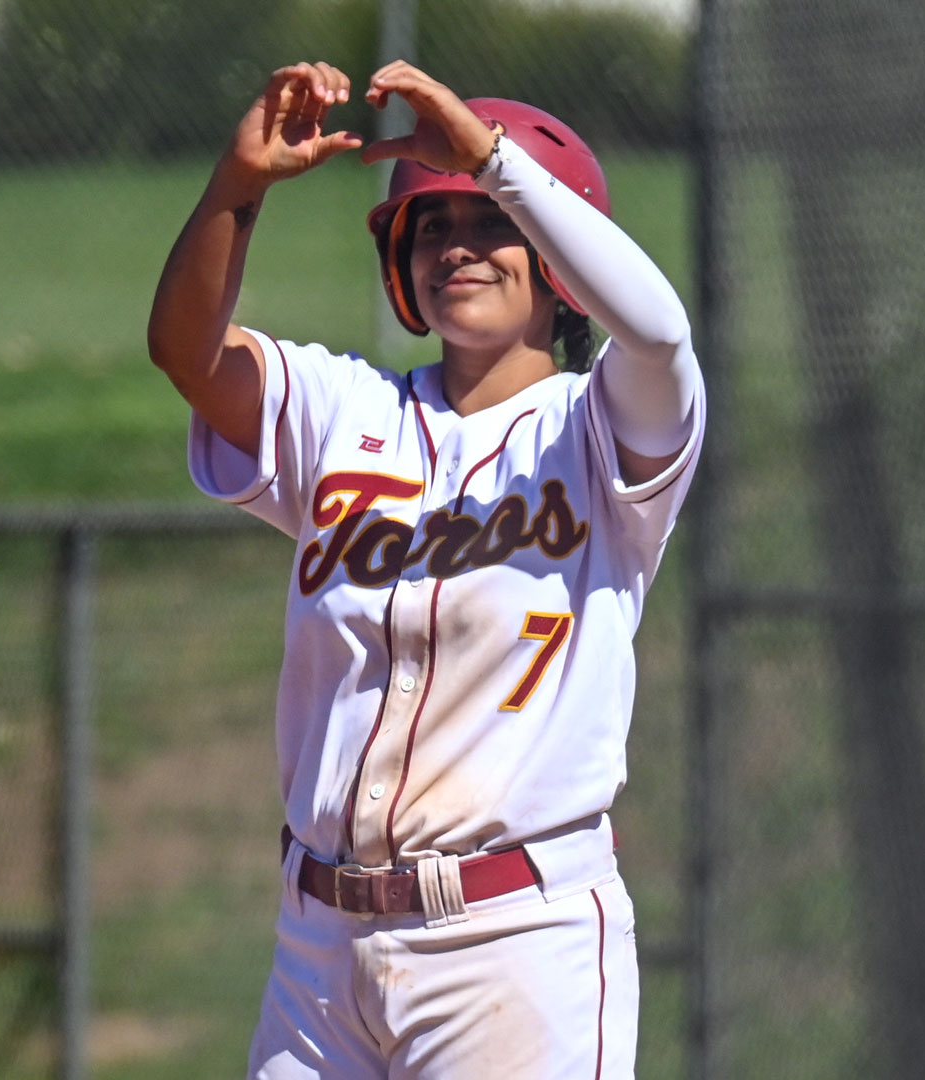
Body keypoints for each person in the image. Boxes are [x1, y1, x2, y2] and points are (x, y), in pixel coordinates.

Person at [147, 58, 704, 1079]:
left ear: (555, 254)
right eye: (432, 227)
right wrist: (237, 187)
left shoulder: (602, 428)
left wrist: (494, 163)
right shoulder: (346, 411)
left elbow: (662, 333)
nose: (459, 245)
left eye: (488, 222)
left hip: (515, 948)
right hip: (320, 953)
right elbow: (187, 353)